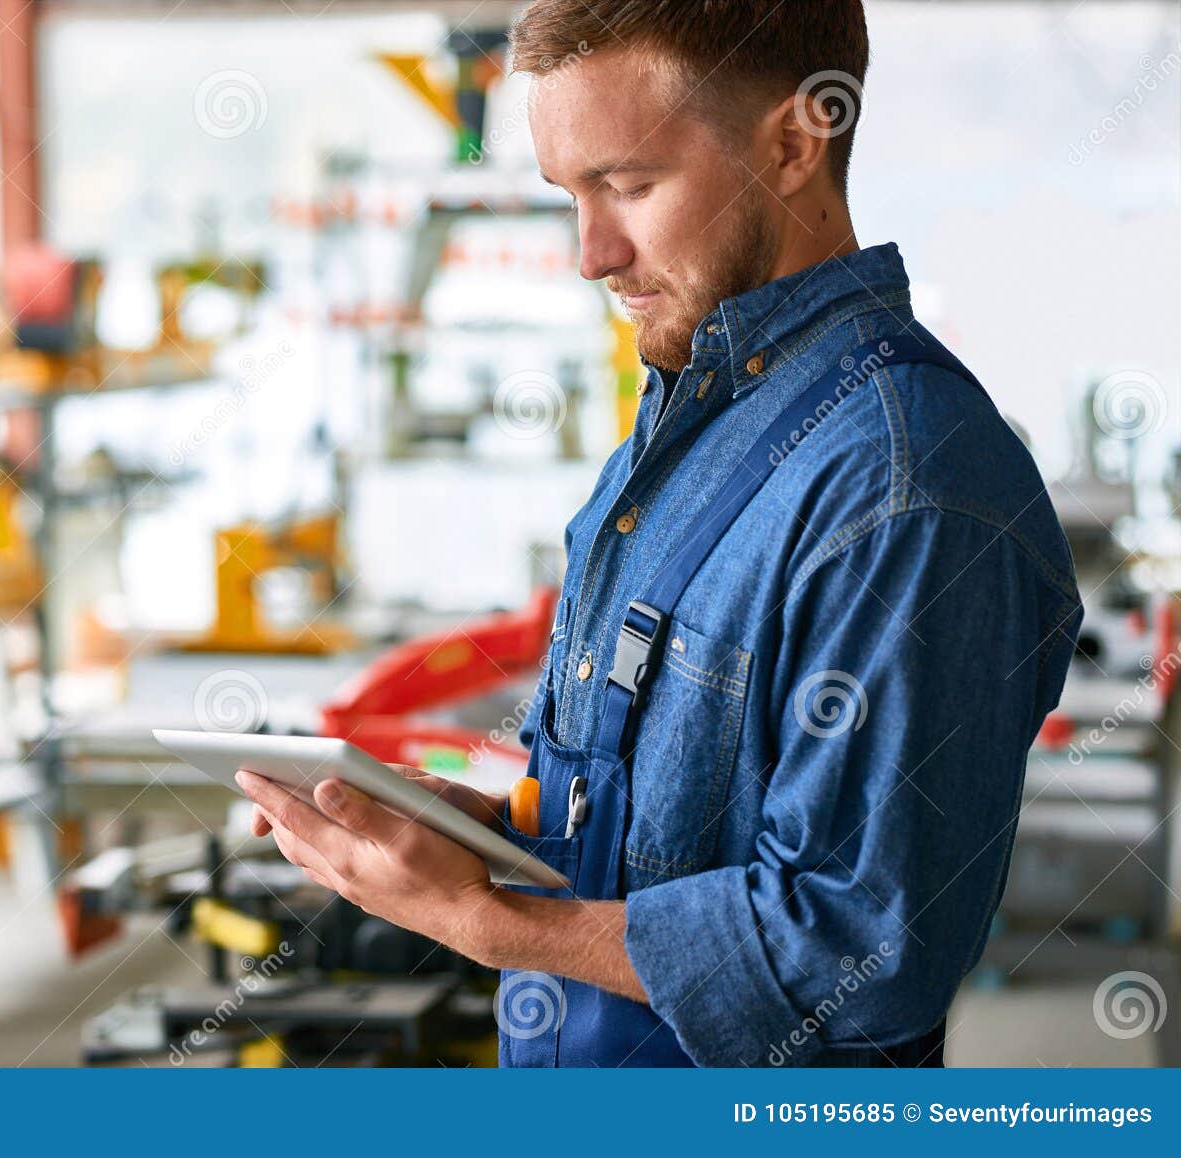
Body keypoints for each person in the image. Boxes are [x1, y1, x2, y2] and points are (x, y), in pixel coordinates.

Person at [239, 0, 1081, 1067]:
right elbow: (673, 827)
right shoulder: (691, 423)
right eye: (570, 196)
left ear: (793, 143)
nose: (590, 254)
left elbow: (857, 953)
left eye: (629, 186)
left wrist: (485, 920)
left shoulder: (904, 482)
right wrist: (484, 837)